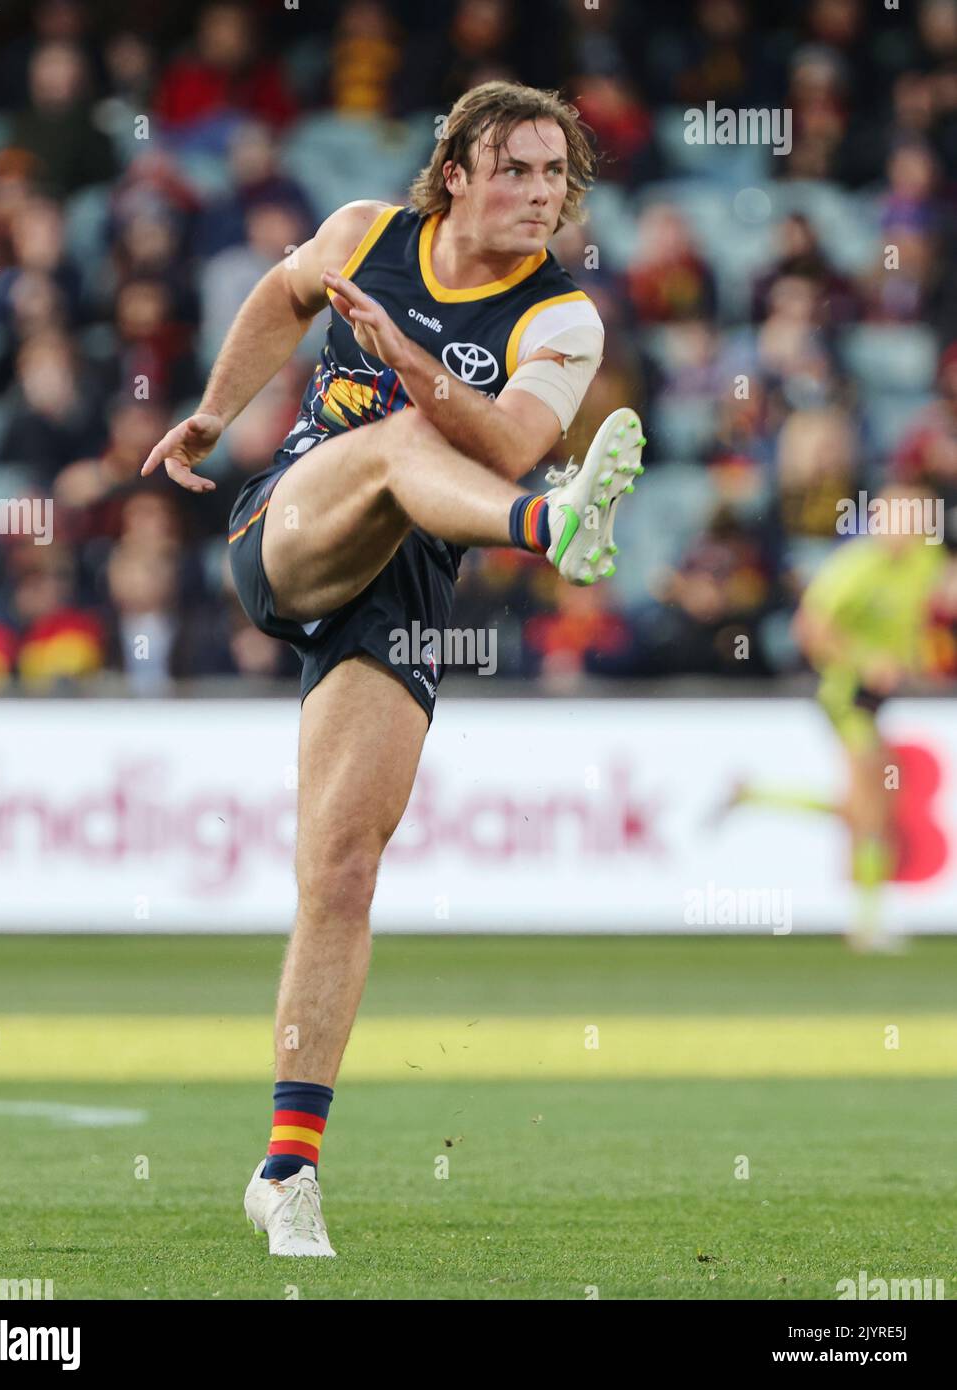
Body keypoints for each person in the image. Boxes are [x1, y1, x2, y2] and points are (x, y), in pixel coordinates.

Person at [140, 80, 646, 1256]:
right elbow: (280, 292)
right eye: (515, 169)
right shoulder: (370, 233)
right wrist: (216, 416)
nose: (539, 195)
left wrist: (409, 356)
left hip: (407, 586)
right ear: (455, 172)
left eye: (555, 176)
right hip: (294, 531)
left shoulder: (563, 320)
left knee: (341, 867)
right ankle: (550, 532)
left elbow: (513, 438)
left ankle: (286, 1167)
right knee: (406, 442)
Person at [722, 485, 955, 951]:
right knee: (875, 810)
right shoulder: (854, 566)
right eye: (902, 516)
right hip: (848, 695)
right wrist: (867, 659)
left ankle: (757, 795)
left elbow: (947, 590)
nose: (911, 526)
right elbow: (808, 629)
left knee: (865, 807)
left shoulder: (921, 562)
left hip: (875, 698)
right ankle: (868, 925)